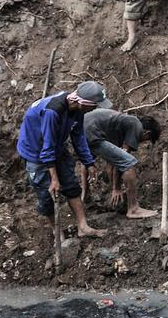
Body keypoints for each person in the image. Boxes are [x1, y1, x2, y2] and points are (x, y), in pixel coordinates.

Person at [17, 81, 111, 241]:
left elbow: (78, 136)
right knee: (47, 194)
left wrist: (88, 162)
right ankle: (57, 232)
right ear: (82, 103)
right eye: (94, 105)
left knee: (71, 186)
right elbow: (46, 148)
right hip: (36, 152)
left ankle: (83, 227)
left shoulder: (77, 109)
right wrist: (54, 179)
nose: (96, 109)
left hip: (57, 147)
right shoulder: (52, 112)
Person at [84, 108, 161, 219]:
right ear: (147, 133)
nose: (141, 142)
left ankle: (85, 197)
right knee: (128, 162)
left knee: (87, 161)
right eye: (146, 139)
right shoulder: (136, 125)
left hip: (82, 127)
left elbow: (110, 165)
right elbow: (122, 163)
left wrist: (114, 186)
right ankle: (133, 209)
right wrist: (117, 188)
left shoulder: (119, 125)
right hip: (92, 131)